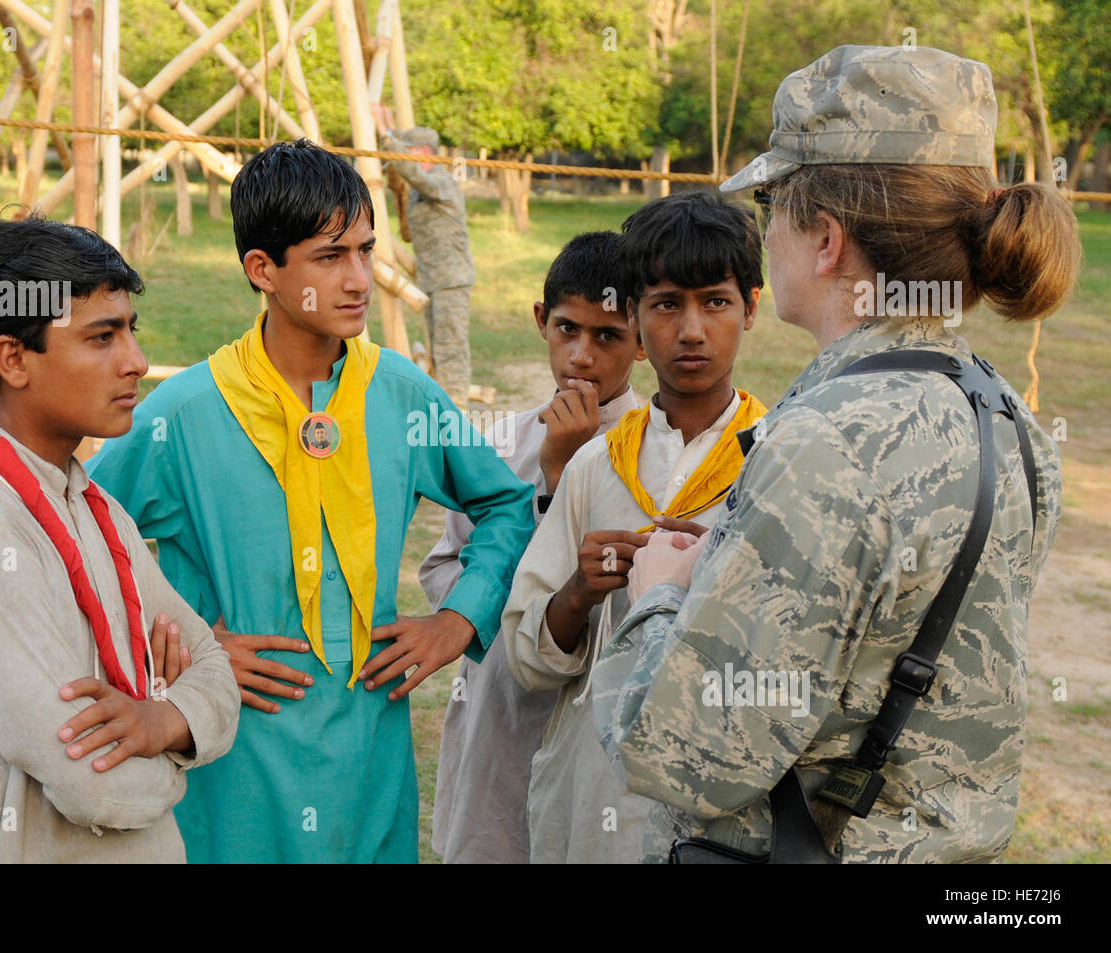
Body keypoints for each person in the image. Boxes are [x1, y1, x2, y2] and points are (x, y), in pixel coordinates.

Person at [596, 44, 1080, 863]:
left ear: (824, 236)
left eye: (771, 205)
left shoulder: (827, 440)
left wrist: (663, 596)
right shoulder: (1006, 414)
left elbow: (686, 756)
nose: (765, 231)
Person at [86, 139, 535, 863]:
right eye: (331, 257)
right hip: (236, 762)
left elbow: (508, 505)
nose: (361, 278)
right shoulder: (186, 412)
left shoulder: (400, 391)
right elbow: (74, 536)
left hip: (371, 758)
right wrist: (177, 647)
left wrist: (459, 618)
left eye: (366, 249)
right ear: (262, 270)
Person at [0, 219, 240, 862]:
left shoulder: (90, 505)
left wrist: (159, 720)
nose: (136, 361)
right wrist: (180, 737)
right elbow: (100, 789)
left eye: (131, 330)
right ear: (13, 359)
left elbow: (215, 672)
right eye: (101, 337)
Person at [502, 192, 769, 863]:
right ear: (636, 316)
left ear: (753, 308)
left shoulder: (776, 464)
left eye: (715, 301)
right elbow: (528, 655)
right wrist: (577, 593)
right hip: (594, 793)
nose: (691, 330)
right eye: (666, 303)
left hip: (718, 798)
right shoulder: (596, 464)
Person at [420, 230, 646, 863]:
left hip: (598, 724)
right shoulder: (497, 445)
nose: (582, 356)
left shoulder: (654, 455)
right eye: (568, 329)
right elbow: (444, 571)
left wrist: (565, 478)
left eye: (608, 336)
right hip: (500, 716)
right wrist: (547, 479)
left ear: (643, 342)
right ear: (541, 321)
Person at [372, 103, 476, 409]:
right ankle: (445, 401)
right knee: (437, 346)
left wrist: (385, 134)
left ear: (426, 154)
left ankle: (458, 407)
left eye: (412, 152)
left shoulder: (441, 182)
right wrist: (390, 127)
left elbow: (412, 172)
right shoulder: (419, 191)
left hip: (451, 279)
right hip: (434, 278)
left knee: (450, 347)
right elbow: (407, 231)